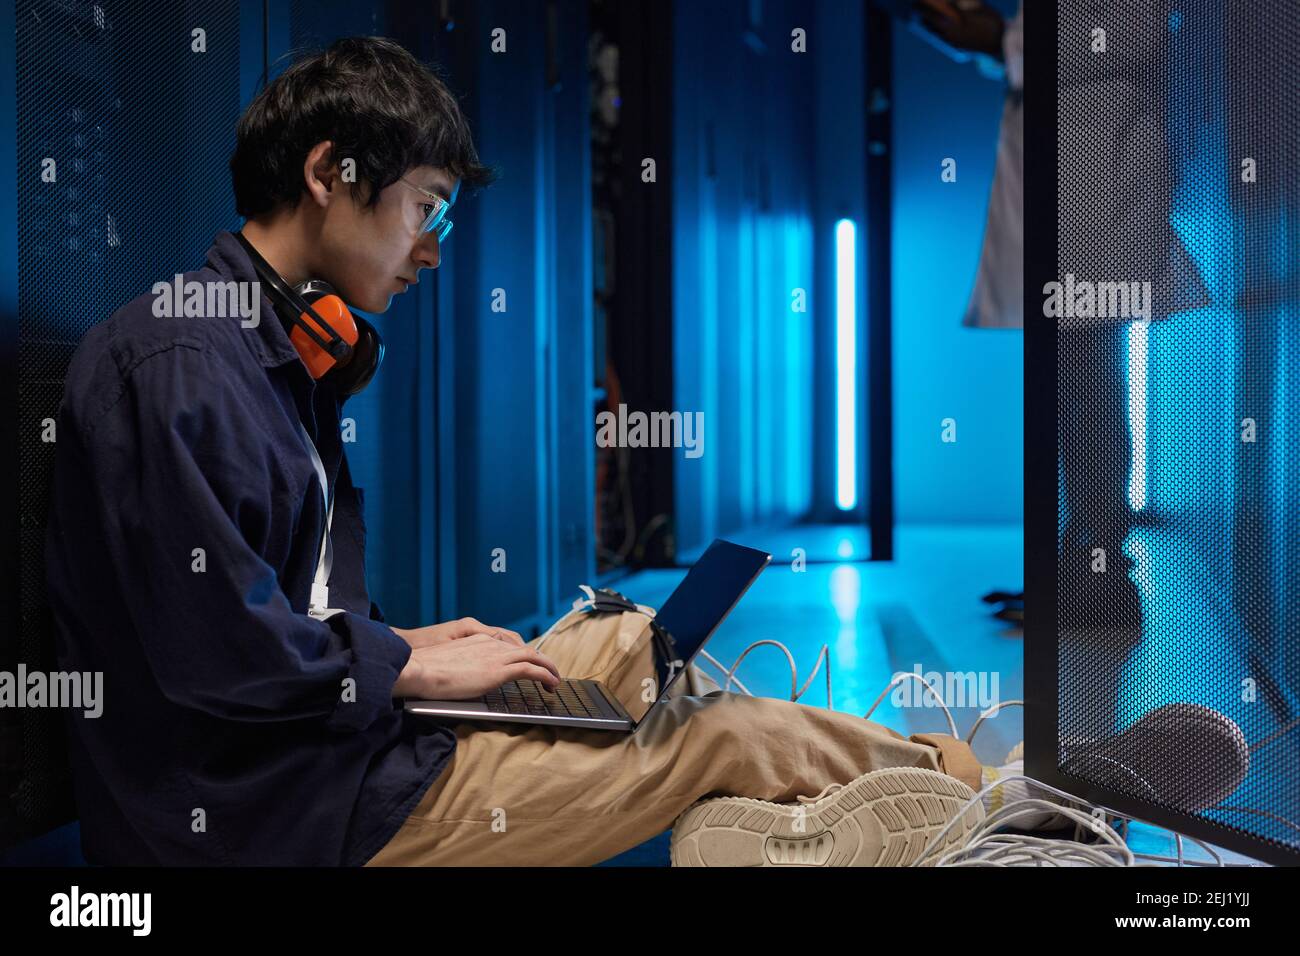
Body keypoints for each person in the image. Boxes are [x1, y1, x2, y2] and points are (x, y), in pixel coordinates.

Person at [45, 36, 1002, 868]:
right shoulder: (180, 365)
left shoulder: (288, 353)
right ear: (330, 174)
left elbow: (282, 612)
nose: (432, 250)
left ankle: (809, 809)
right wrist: (406, 668)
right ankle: (978, 795)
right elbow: (212, 655)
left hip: (332, 749)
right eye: (426, 209)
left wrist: (411, 644)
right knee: (720, 734)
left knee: (619, 644)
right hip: (286, 813)